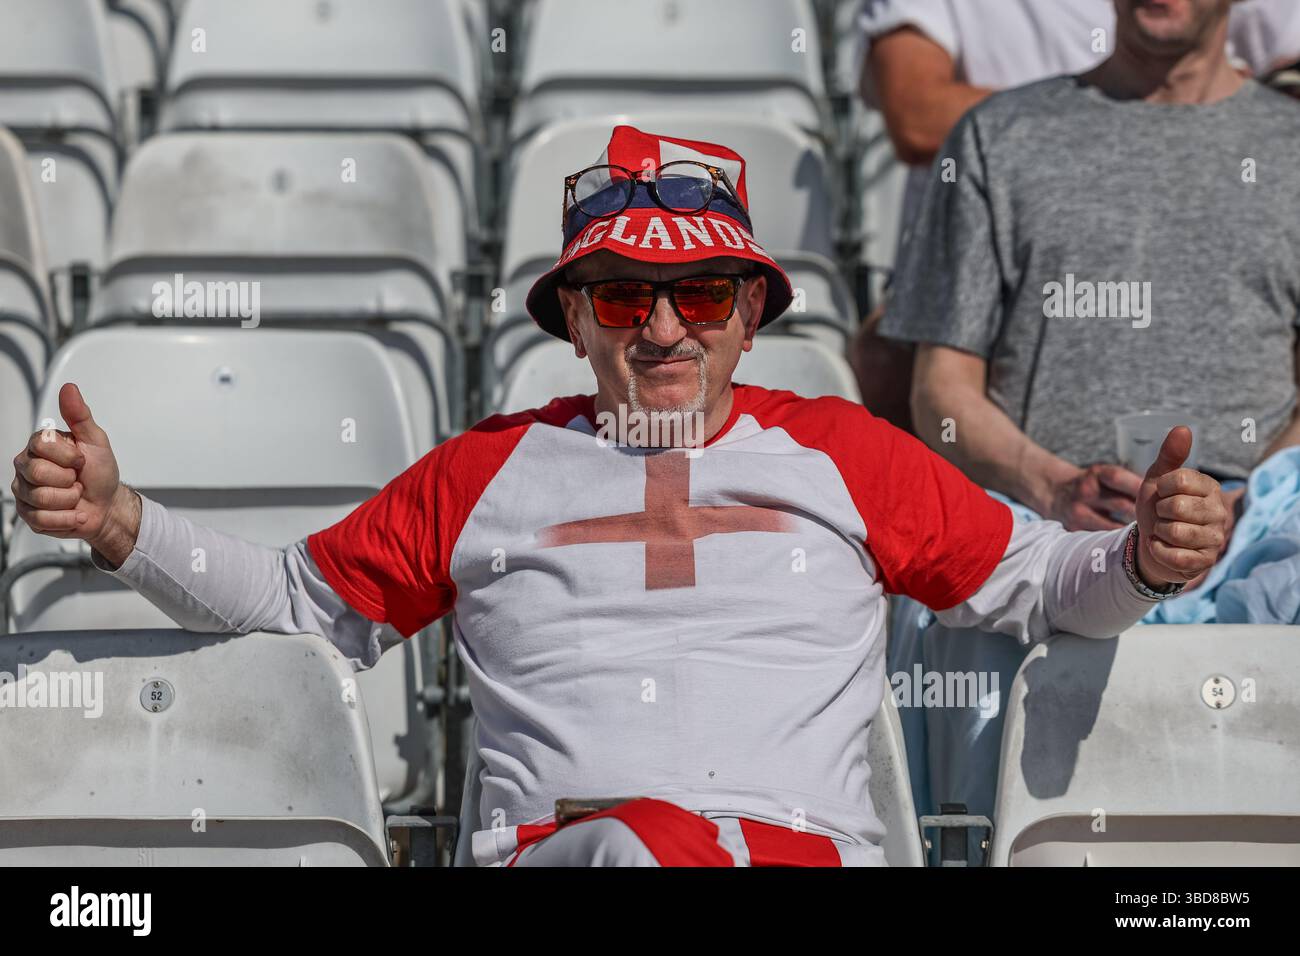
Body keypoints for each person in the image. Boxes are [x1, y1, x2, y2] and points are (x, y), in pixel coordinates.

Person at [9, 125, 1228, 867]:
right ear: (573, 320)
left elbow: (1041, 586)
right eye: (620, 295)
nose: (660, 328)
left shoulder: (845, 449)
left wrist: (1149, 558)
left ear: (750, 314)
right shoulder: (486, 466)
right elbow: (297, 604)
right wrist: (121, 520)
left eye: (700, 295)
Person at [877, 0, 1300, 861]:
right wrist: (1052, 486)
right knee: (954, 584)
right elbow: (941, 393)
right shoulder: (1001, 135)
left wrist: (1243, 501)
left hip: (1264, 528)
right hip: (1050, 523)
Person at [852, 0, 1300, 429]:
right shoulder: (993, 135)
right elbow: (916, 118)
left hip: (1263, 495)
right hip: (1034, 491)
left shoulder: (1281, 143)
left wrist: (1259, 496)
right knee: (889, 355)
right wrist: (1052, 486)